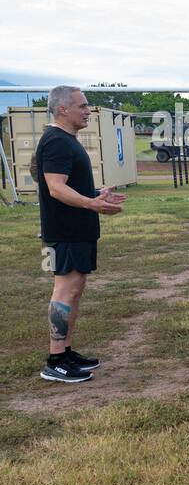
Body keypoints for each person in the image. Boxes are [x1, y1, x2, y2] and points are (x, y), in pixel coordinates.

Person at [35, 86, 124, 383]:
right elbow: (55, 188)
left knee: (76, 289)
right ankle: (55, 360)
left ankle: (67, 352)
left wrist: (96, 194)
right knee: (65, 290)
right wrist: (92, 204)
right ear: (63, 109)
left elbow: (68, 185)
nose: (88, 111)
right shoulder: (56, 141)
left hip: (79, 229)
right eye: (82, 106)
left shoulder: (67, 140)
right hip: (65, 230)